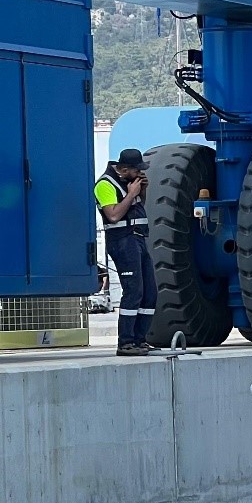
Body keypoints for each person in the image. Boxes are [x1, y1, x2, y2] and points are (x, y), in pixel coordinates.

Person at [94, 147, 155, 355]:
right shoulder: (105, 185)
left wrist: (141, 192)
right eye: (137, 170)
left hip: (138, 239)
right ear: (124, 169)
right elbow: (113, 215)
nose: (140, 173)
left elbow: (137, 208)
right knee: (133, 291)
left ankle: (140, 339)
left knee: (149, 292)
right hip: (122, 241)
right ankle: (125, 342)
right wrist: (131, 194)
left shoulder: (130, 182)